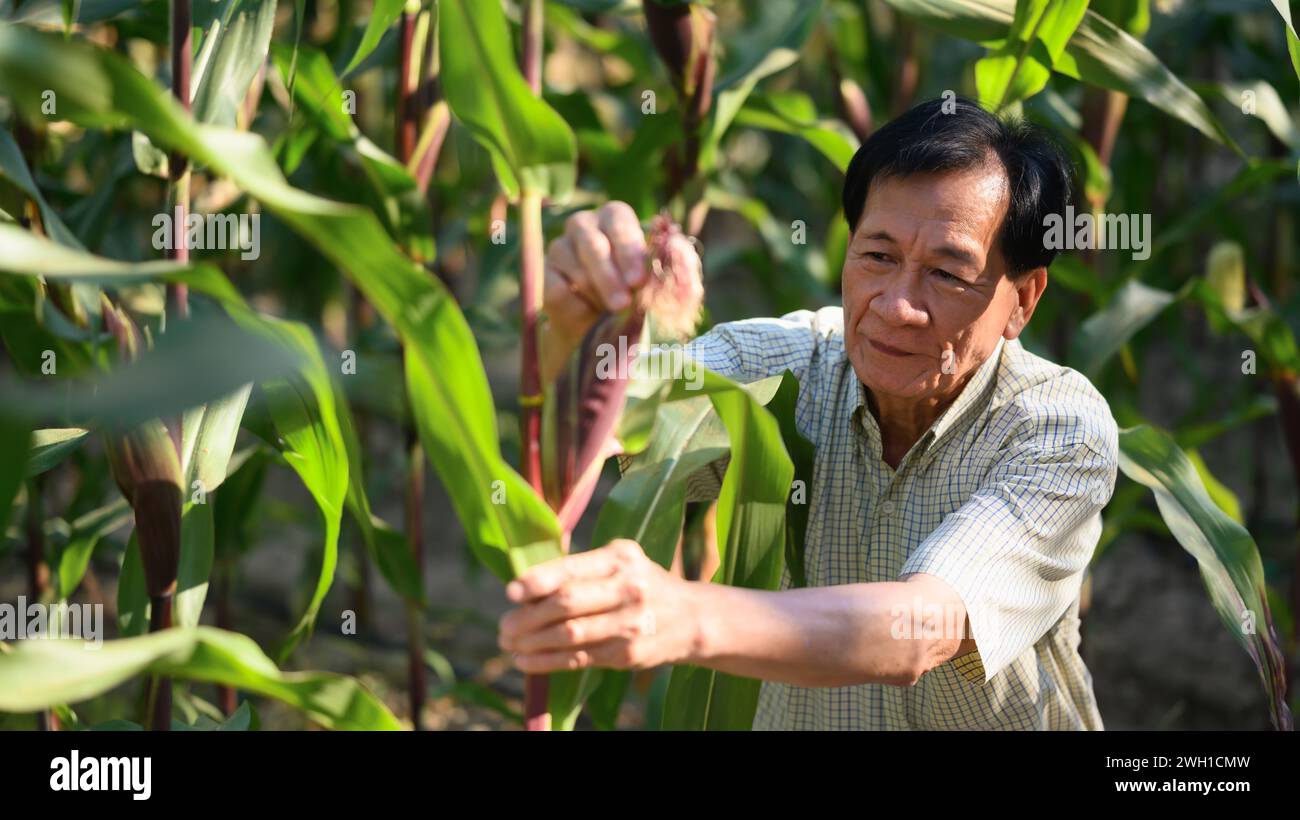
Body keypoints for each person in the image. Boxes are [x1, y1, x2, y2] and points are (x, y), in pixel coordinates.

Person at [498, 96, 1119, 729]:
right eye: (878, 257)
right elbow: (609, 422)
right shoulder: (781, 367)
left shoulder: (1056, 429)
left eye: (947, 274)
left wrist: (683, 615)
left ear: (1023, 299)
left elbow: (925, 626)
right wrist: (575, 322)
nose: (897, 306)